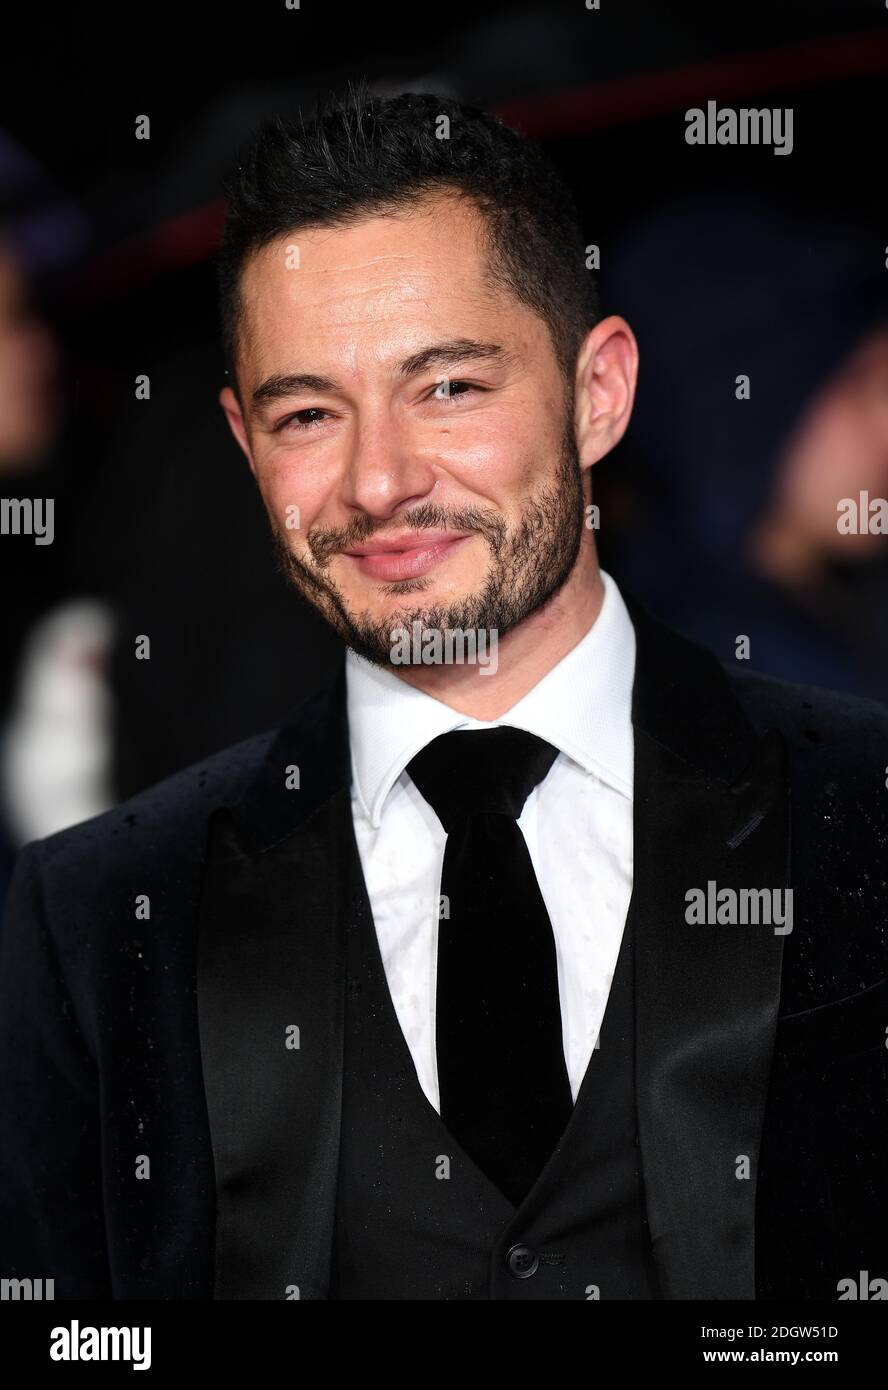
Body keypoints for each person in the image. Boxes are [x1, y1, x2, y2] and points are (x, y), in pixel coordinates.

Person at [1, 88, 886, 1302]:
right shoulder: (94, 915)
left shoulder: (863, 808)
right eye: (309, 413)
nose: (378, 480)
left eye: (449, 388)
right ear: (245, 445)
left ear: (599, 394)